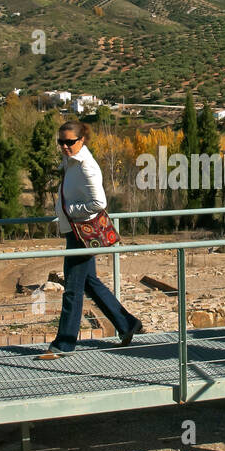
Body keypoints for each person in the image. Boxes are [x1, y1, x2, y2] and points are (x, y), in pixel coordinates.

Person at [37, 121, 142, 359]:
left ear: (82, 140)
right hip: (76, 232)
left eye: (70, 142)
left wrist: (69, 210)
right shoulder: (71, 162)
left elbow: (99, 203)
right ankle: (127, 324)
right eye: (61, 142)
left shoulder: (86, 166)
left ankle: (63, 344)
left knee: (72, 289)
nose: (64, 146)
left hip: (81, 234)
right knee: (89, 282)